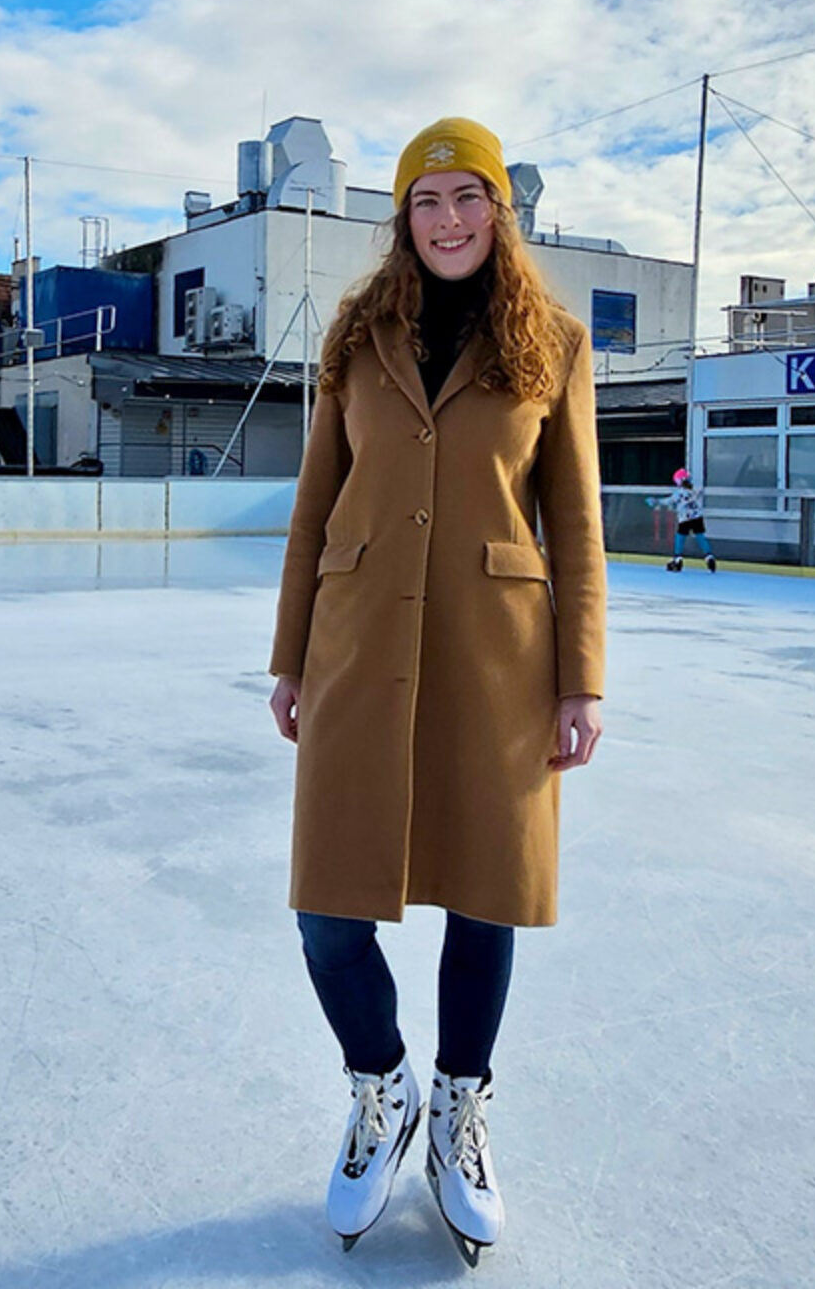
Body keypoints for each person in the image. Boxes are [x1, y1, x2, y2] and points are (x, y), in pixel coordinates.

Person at [267, 116, 607, 1264]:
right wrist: (289, 654)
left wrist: (583, 680)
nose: (450, 218)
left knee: (486, 892)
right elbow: (316, 505)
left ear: (500, 211)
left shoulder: (554, 342)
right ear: (402, 216)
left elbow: (576, 521)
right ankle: (383, 1086)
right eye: (428, 199)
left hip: (499, 651)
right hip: (360, 645)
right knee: (326, 908)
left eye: (471, 196)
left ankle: (463, 1101)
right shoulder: (356, 335)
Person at [647, 467, 716, 571]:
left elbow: (669, 501)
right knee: (700, 536)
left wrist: (656, 501)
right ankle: (709, 556)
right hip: (697, 516)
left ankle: (678, 559)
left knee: (680, 537)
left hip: (685, 518)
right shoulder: (692, 491)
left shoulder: (679, 493)